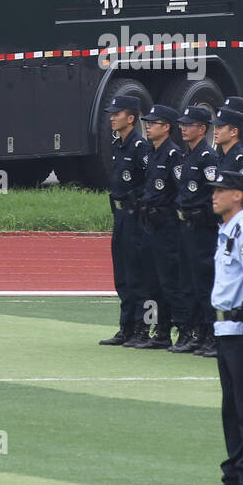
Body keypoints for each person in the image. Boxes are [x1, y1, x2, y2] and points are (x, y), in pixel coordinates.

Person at [196, 171, 243, 485]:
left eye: (221, 191)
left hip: (240, 331)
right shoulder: (227, 229)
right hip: (224, 329)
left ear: (238, 195)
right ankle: (234, 476)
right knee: (231, 408)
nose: (214, 195)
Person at [99, 94, 151, 347]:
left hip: (134, 216)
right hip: (119, 215)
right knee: (121, 273)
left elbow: (151, 181)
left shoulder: (140, 147)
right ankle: (126, 327)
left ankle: (142, 329)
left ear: (130, 118)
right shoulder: (117, 145)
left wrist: (139, 204)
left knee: (136, 273)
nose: (112, 117)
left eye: (117, 114)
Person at [132, 104, 184, 349]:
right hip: (150, 223)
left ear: (166, 127)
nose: (148, 127)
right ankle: (159, 331)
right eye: (148, 123)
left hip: (166, 225)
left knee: (168, 280)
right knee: (152, 280)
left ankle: (179, 330)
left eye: (153, 123)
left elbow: (180, 190)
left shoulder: (173, 155)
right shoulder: (152, 152)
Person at [172, 105, 219, 355]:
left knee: (203, 281)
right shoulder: (186, 155)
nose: (183, 128)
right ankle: (195, 332)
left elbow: (212, 195)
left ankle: (210, 333)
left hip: (202, 228)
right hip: (185, 226)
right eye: (182, 124)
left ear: (202, 129)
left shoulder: (207, 157)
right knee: (187, 281)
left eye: (188, 125)